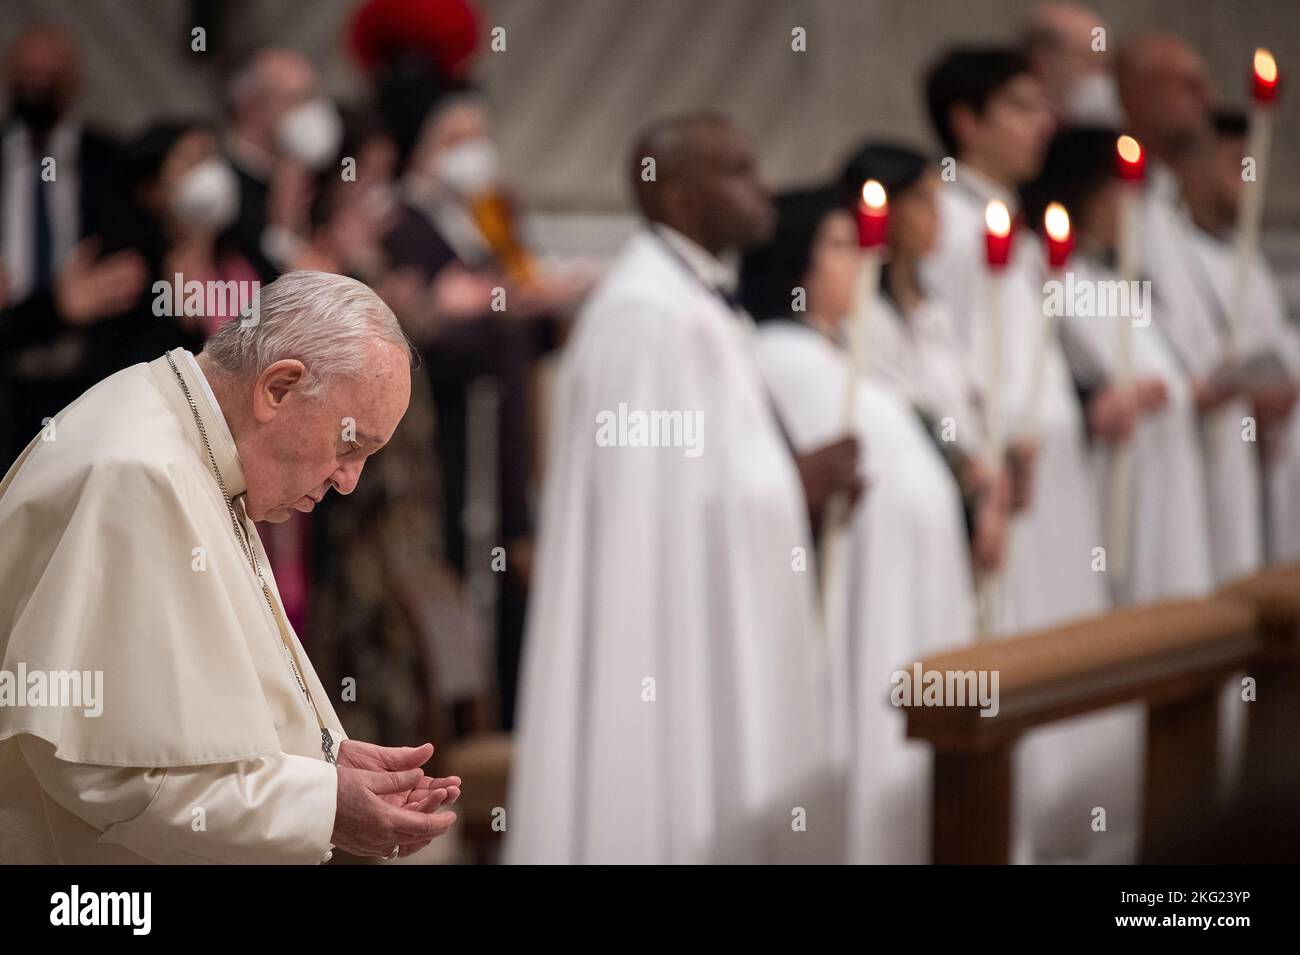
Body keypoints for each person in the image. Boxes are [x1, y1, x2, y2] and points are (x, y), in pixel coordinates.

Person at [0, 270, 460, 864]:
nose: (349, 481)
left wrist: (322, 761)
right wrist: (324, 807)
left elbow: (198, 713)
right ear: (279, 388)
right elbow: (109, 771)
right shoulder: (136, 474)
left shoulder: (197, 445)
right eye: (350, 446)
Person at [505, 113, 857, 863]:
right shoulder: (643, 313)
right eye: (740, 170)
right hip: (662, 637)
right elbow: (647, 506)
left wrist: (797, 479)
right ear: (682, 199)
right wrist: (792, 482)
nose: (763, 188)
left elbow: (711, 469)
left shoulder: (695, 302)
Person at [923, 48, 1144, 864]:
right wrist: (988, 456)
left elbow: (1030, 358)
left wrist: (1081, 413)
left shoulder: (1009, 221)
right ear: (966, 121)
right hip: (1009, 493)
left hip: (1056, 490)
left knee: (1063, 651)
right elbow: (948, 363)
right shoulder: (948, 226)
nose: (1044, 122)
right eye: (1021, 106)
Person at [741, 184, 976, 863]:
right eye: (840, 246)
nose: (859, 259)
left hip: (909, 587)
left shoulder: (844, 352)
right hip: (860, 598)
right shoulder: (780, 352)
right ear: (794, 264)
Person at [1023, 126, 1214, 605]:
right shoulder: (1046, 273)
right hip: (1105, 485)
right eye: (1115, 192)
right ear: (1082, 191)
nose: (1128, 209)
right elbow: (1044, 378)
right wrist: (1095, 407)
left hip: (1162, 478)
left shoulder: (1111, 279)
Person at [1118, 34, 1265, 584]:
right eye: (1186, 85)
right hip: (1159, 441)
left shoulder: (1165, 206)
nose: (1205, 97)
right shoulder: (1120, 199)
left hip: (1219, 434)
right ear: (1135, 93)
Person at [0, 25, 143, 468]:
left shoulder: (112, 161)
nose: (38, 85)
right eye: (28, 73)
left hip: (86, 378)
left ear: (75, 80)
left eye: (52, 74)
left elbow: (132, 268)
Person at [1178, 111, 1300, 564]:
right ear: (1195, 165)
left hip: (1268, 447)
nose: (1249, 178)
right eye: (1237, 163)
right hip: (1214, 447)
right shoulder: (1176, 252)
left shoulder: (1248, 258)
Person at [224, 49, 344, 281]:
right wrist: (282, 228)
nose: (309, 113)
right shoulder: (224, 180)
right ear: (252, 105)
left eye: (311, 98)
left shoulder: (302, 180)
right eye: (296, 100)